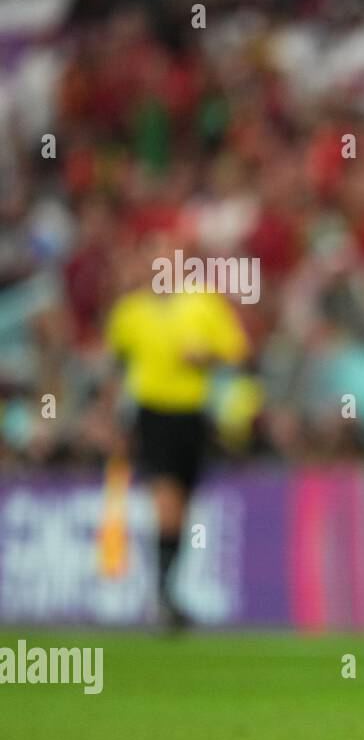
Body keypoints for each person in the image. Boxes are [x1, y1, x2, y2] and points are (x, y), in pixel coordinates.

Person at [105, 240, 250, 628]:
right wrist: (115, 421)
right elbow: (117, 364)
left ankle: (167, 594)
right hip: (153, 416)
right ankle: (163, 597)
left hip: (193, 416)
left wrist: (206, 357)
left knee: (183, 508)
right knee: (166, 501)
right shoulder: (130, 311)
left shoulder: (203, 303)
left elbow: (238, 351)